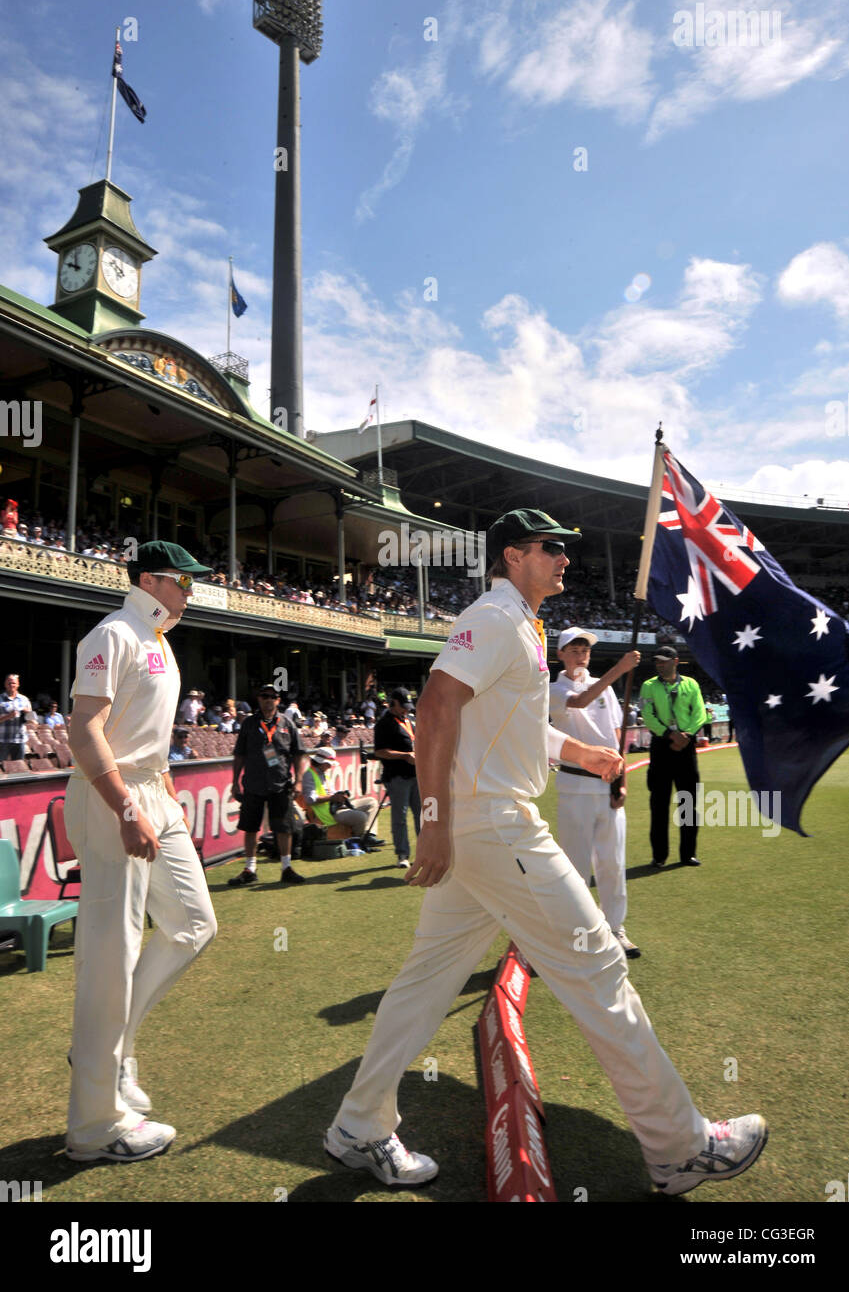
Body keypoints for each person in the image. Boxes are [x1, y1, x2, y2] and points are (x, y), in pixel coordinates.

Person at [324, 507, 767, 1194]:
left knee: (423, 984)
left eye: (564, 547)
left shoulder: (521, 625)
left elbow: (513, 725)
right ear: (510, 557)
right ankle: (678, 1146)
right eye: (548, 547)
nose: (563, 558)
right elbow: (436, 707)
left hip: (485, 827)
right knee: (597, 968)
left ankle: (358, 1126)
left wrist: (578, 751)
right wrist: (434, 818)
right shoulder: (496, 618)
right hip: (495, 827)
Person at [64, 540, 217, 1163]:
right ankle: (95, 1126)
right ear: (151, 580)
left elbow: (149, 737)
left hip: (154, 792)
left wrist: (165, 800)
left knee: (193, 924)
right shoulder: (113, 633)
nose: (191, 591)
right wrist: (128, 809)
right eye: (184, 580)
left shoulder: (157, 637)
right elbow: (83, 728)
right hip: (113, 800)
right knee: (111, 952)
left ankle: (115, 1049)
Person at [549, 628, 641, 958]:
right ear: (561, 654)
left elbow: (618, 738)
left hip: (608, 788)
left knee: (613, 863)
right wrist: (619, 670)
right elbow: (579, 702)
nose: (581, 653)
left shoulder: (606, 688)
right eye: (574, 648)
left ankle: (615, 929)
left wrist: (623, 782)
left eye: (585, 648)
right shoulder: (553, 689)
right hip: (575, 787)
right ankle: (577, 933)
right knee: (574, 866)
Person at [229, 684, 306, 886]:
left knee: (283, 827)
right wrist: (234, 781)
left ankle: (286, 867)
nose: (268, 699)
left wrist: (298, 780)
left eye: (273, 696)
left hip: (280, 784)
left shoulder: (288, 724)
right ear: (258, 699)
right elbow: (239, 754)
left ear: (278, 700)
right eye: (264, 696)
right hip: (253, 783)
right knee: (250, 827)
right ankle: (250, 868)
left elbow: (299, 754)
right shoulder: (248, 724)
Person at [640, 646, 708, 867]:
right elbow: (648, 716)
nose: (660, 665)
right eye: (657, 662)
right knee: (658, 804)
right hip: (661, 747)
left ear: (675, 661)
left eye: (664, 661)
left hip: (686, 748)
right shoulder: (648, 686)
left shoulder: (691, 684)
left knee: (688, 802)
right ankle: (659, 856)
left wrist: (686, 734)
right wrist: (670, 735)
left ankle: (688, 854)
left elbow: (699, 713)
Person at [373, 687, 420, 869]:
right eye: (403, 706)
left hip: (416, 775)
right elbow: (380, 751)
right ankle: (402, 854)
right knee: (399, 817)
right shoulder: (384, 724)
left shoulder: (410, 721)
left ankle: (423, 852)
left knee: (421, 816)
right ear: (393, 703)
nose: (406, 710)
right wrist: (405, 756)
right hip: (398, 777)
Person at [301, 747, 381, 849]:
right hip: (329, 813)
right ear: (320, 762)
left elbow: (331, 792)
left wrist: (341, 795)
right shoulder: (309, 775)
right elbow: (310, 799)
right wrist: (332, 798)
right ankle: (357, 840)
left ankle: (370, 836)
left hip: (337, 806)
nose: (330, 766)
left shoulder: (323, 774)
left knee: (372, 802)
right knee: (361, 817)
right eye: (328, 764)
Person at [0, 673, 36, 762]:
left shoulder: (24, 699)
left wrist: (28, 713)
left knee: (18, 769)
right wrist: (8, 716)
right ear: (5, 684)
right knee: (1, 768)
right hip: (3, 740)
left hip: (20, 740)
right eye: (9, 683)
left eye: (14, 683)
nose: (11, 685)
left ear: (18, 684)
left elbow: (33, 722)